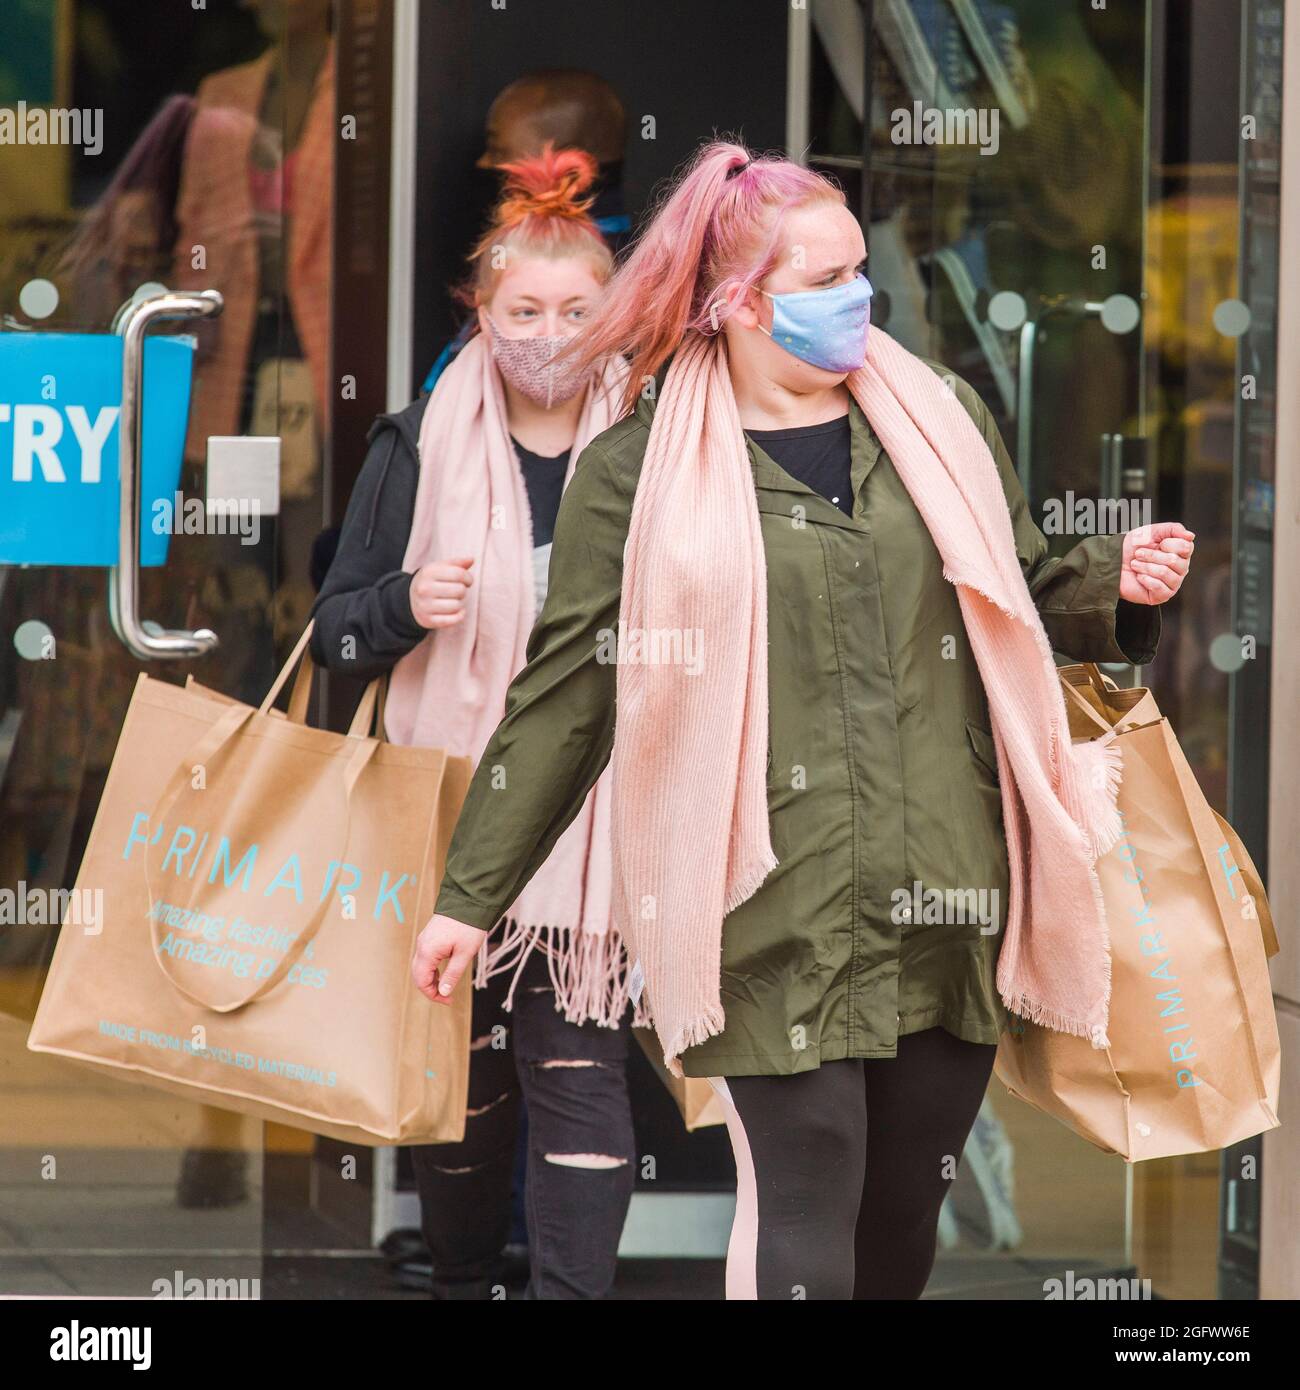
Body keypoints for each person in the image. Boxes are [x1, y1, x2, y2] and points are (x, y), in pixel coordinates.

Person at [413, 140, 1196, 1300]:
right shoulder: (638, 470)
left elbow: (1014, 589)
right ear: (732, 302)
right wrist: (467, 900)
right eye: (821, 283)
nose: (856, 302)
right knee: (809, 1186)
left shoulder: (938, 418)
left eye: (856, 272)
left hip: (944, 879)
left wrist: (1107, 581)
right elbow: (572, 691)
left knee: (899, 1210)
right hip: (762, 894)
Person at [310, 146, 637, 1300]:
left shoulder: (659, 445)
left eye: (576, 310)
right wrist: (405, 604)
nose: (550, 330)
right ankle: (459, 1279)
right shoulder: (414, 446)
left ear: (617, 313)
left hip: (600, 811)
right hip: (441, 808)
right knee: (466, 1071)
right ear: (480, 315)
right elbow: (336, 628)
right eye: (524, 310)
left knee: (581, 1056)